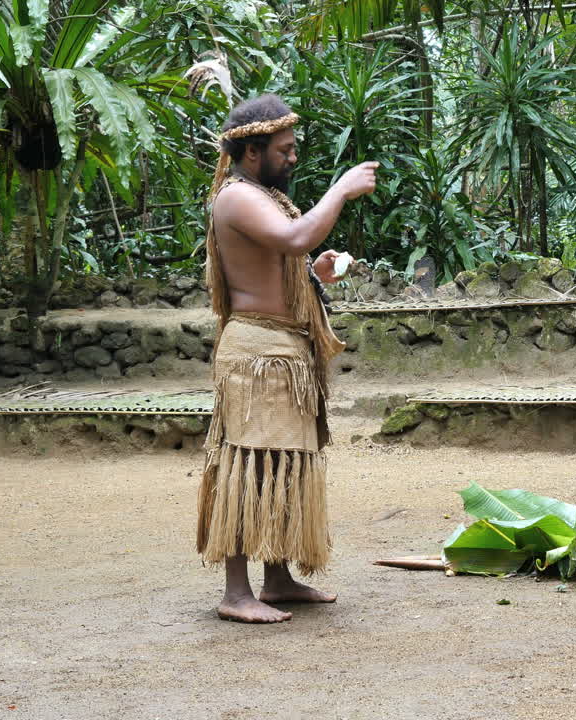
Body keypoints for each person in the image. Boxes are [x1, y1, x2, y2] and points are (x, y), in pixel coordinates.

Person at [195, 93, 378, 623]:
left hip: (282, 350)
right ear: (252, 152)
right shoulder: (236, 196)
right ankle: (236, 593)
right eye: (285, 149)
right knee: (247, 466)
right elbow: (295, 238)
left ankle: (276, 579)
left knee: (283, 465)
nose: (293, 156)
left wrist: (312, 275)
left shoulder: (263, 194)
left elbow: (284, 257)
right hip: (257, 353)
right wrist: (341, 189)